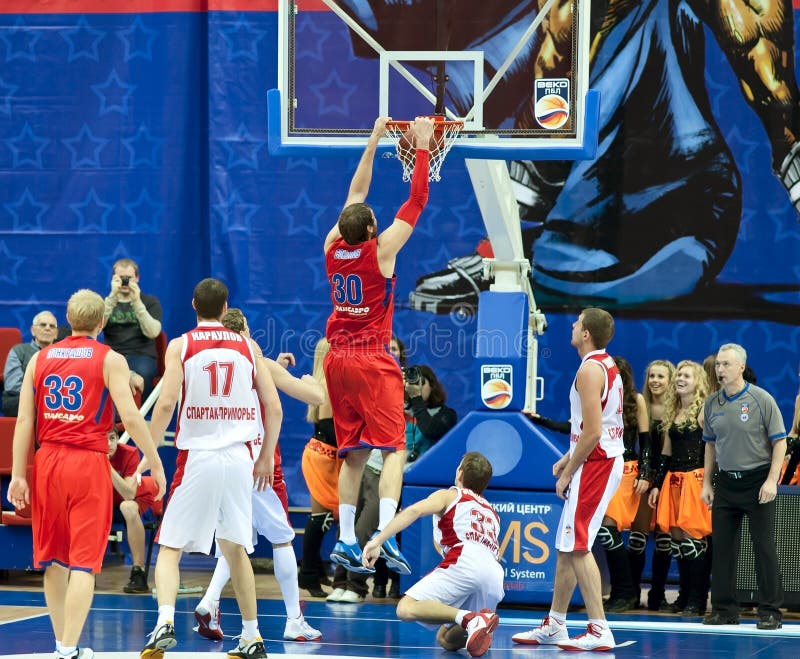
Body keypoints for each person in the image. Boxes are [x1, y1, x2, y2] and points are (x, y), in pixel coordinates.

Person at [6, 289, 166, 659]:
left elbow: (24, 421)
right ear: (101, 322)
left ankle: (64, 644)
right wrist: (154, 460)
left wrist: (18, 474)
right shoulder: (109, 358)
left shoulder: (41, 358)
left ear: (68, 319)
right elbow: (129, 416)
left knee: (52, 559)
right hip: (87, 462)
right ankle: (67, 647)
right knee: (82, 561)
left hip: (46, 462)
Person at [141, 279, 282, 659]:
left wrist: (150, 455)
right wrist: (266, 455)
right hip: (240, 458)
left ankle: (164, 623)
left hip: (200, 457)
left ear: (193, 305)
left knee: (170, 547)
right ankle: (252, 636)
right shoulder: (250, 347)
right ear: (225, 308)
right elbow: (274, 407)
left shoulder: (181, 345)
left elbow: (167, 403)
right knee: (236, 549)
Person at [322, 115, 435, 576]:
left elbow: (355, 194)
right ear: (371, 230)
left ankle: (346, 540)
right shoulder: (380, 251)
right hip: (370, 358)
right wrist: (422, 146)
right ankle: (385, 535)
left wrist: (372, 139)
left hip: (336, 361)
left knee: (353, 454)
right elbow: (418, 199)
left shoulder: (333, 245)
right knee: (395, 450)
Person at [193, 308, 322, 643]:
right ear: (247, 331)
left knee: (235, 541)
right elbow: (315, 397)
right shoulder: (257, 362)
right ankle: (293, 618)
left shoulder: (208, 363)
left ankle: (209, 601)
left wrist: (274, 366)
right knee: (281, 539)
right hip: (258, 464)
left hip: (222, 461)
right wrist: (314, 375)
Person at [512, 308, 623, 651]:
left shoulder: (590, 369)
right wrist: (568, 457)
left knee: (577, 545)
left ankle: (599, 627)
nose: (572, 326)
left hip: (597, 463)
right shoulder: (605, 363)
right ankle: (556, 623)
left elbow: (592, 433)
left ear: (586, 333)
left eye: (577, 323)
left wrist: (571, 470)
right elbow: (596, 427)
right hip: (597, 457)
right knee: (566, 547)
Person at [362, 451, 503, 658]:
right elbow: (495, 552)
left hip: (465, 560)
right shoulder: (492, 513)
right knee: (445, 640)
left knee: (405, 608)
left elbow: (414, 511)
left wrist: (377, 541)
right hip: (494, 576)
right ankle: (480, 622)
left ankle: (471, 619)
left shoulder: (450, 494)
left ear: (460, 473)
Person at [701, 343, 786, 630]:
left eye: (726, 364)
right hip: (726, 482)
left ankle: (770, 611)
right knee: (723, 548)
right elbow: (710, 445)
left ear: (740, 367)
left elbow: (780, 441)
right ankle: (724, 609)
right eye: (718, 365)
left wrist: (772, 480)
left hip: (757, 480)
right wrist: (707, 483)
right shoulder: (712, 403)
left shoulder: (762, 399)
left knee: (764, 547)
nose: (720, 369)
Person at [648, 360, 711, 615]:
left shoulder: (704, 411)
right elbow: (665, 453)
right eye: (680, 375)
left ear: (698, 382)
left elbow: (712, 448)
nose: (681, 379)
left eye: (687, 375)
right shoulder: (673, 411)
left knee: (693, 541)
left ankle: (697, 600)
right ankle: (684, 597)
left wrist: (709, 482)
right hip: (674, 481)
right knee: (678, 544)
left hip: (695, 480)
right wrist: (657, 485)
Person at [598, 355, 650, 613]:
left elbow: (646, 441)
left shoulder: (636, 400)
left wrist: (645, 474)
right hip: (604, 470)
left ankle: (626, 591)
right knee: (606, 533)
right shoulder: (599, 399)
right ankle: (623, 591)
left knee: (610, 531)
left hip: (629, 471)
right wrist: (540, 420)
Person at [298, 337, 341, 598]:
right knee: (320, 519)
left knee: (323, 519)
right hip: (325, 456)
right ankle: (308, 575)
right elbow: (331, 429)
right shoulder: (328, 384)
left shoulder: (322, 382)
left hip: (323, 454)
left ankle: (314, 570)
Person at [634, 359, 676, 611]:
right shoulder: (643, 405)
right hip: (645, 476)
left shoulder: (676, 408)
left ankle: (657, 594)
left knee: (664, 539)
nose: (655, 381)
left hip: (669, 479)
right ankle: (631, 591)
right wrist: (646, 476)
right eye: (652, 376)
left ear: (670, 381)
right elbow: (645, 448)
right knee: (637, 538)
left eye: (661, 376)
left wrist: (660, 479)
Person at [108, 429, 164, 594]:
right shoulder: (89, 454)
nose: (108, 444)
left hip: (139, 502)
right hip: (107, 504)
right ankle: (81, 569)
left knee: (128, 506)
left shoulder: (129, 454)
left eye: (112, 438)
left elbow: (128, 494)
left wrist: (105, 465)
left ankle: (138, 572)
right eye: (103, 439)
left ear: (118, 438)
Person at [103, 257, 163, 403]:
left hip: (141, 354)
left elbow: (153, 332)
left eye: (128, 278)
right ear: (113, 279)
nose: (125, 282)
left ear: (137, 278)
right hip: (113, 353)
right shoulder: (105, 302)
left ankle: (139, 417)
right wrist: (112, 298)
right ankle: (113, 420)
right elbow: (96, 327)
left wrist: (136, 302)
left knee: (142, 374)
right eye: (120, 278)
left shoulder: (150, 302)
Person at [2, 310, 58, 417]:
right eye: (43, 325)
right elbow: (12, 386)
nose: (47, 328)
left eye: (52, 326)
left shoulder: (61, 355)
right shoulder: (18, 351)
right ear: (33, 330)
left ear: (56, 334)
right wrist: (42, 395)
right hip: (18, 400)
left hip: (51, 401)